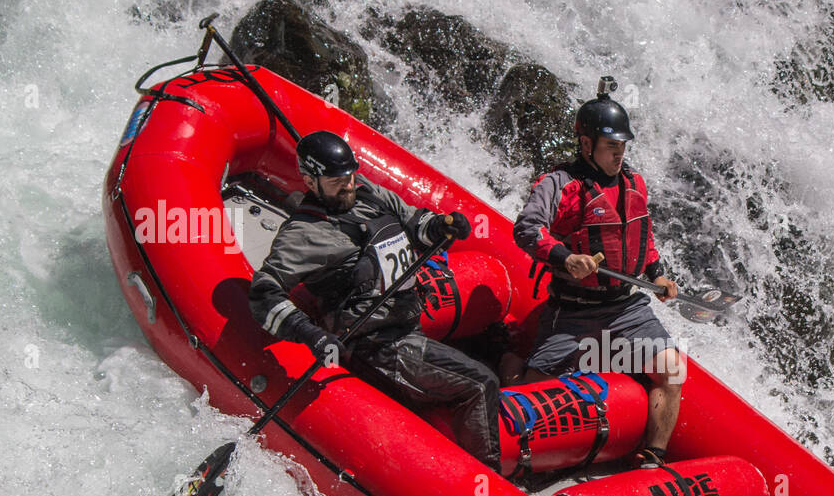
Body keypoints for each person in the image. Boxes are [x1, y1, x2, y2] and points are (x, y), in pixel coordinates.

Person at [248, 130, 500, 468]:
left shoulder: (369, 193)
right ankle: (487, 481)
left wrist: (442, 225)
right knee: (482, 382)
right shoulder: (303, 234)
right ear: (310, 181)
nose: (349, 184)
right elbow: (264, 291)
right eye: (337, 180)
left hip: (409, 327)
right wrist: (311, 335)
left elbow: (416, 222)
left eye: (350, 174)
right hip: (379, 348)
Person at [512, 80, 682, 468]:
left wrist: (657, 274)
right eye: (611, 148)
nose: (619, 155)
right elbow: (527, 228)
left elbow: (645, 238)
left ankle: (652, 458)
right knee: (531, 393)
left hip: (627, 308)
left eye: (623, 147)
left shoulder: (633, 182)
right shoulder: (559, 183)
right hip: (572, 311)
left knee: (673, 370)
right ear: (586, 144)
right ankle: (510, 365)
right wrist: (563, 257)